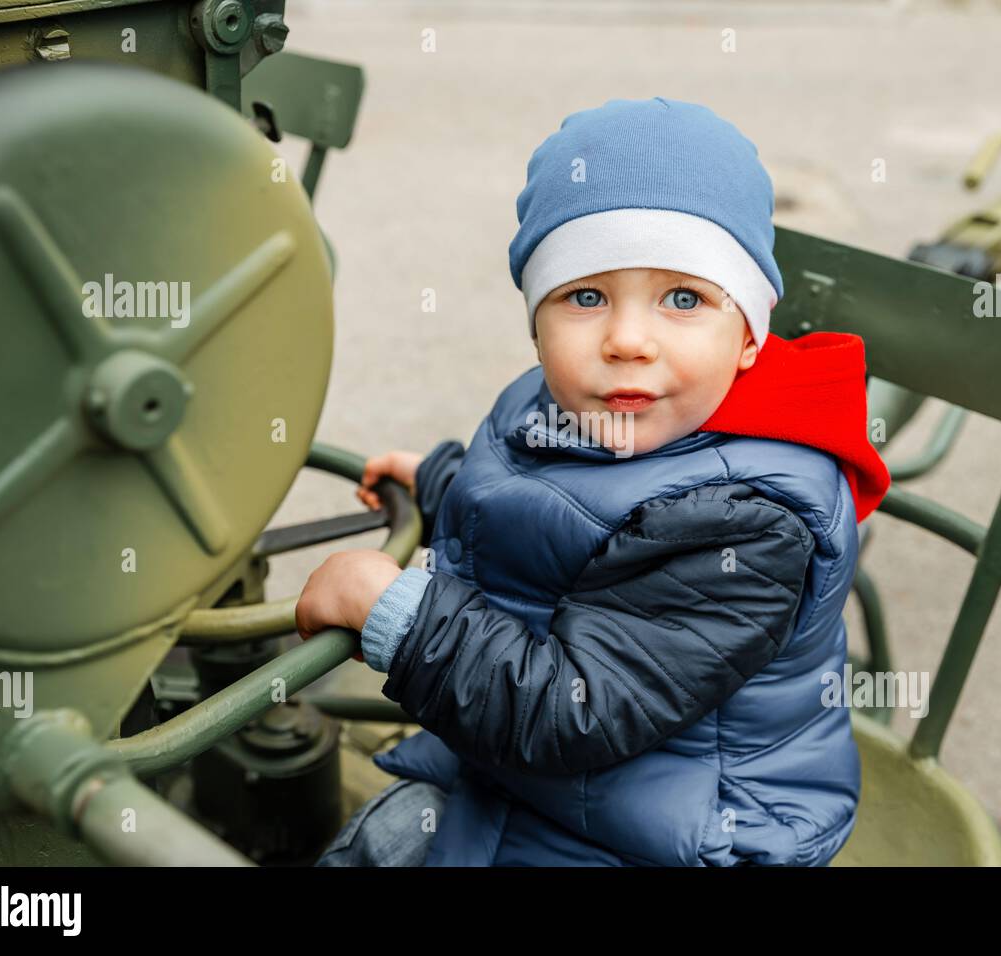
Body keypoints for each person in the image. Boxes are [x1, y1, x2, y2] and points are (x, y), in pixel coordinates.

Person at [298, 96, 890, 867]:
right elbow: (555, 513)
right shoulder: (583, 407)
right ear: (536, 320)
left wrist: (393, 612)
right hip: (542, 782)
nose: (628, 340)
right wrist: (446, 482)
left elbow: (575, 714)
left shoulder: (748, 520)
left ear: (749, 335)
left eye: (684, 298)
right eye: (585, 295)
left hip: (674, 835)